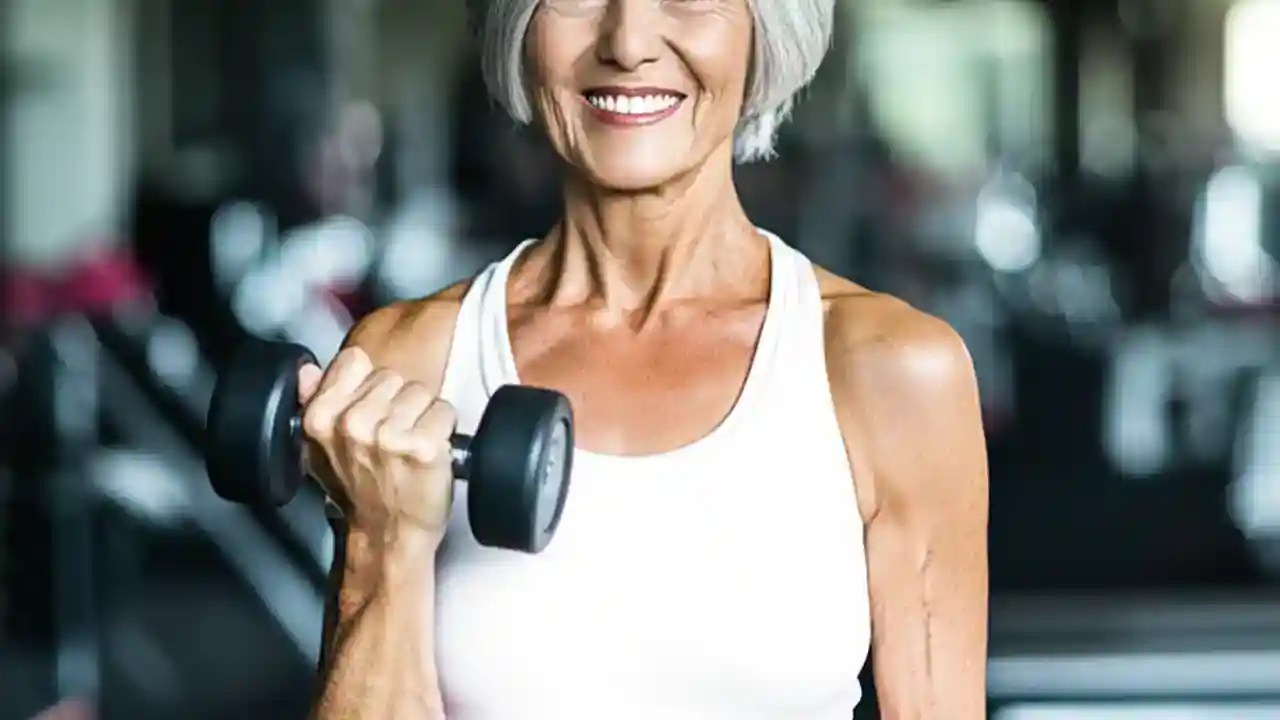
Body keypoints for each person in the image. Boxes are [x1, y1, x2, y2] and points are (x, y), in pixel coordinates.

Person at [297, 0, 989, 717]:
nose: (627, 42)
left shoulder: (893, 372)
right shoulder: (409, 361)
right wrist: (384, 543)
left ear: (765, 29)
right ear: (519, 26)